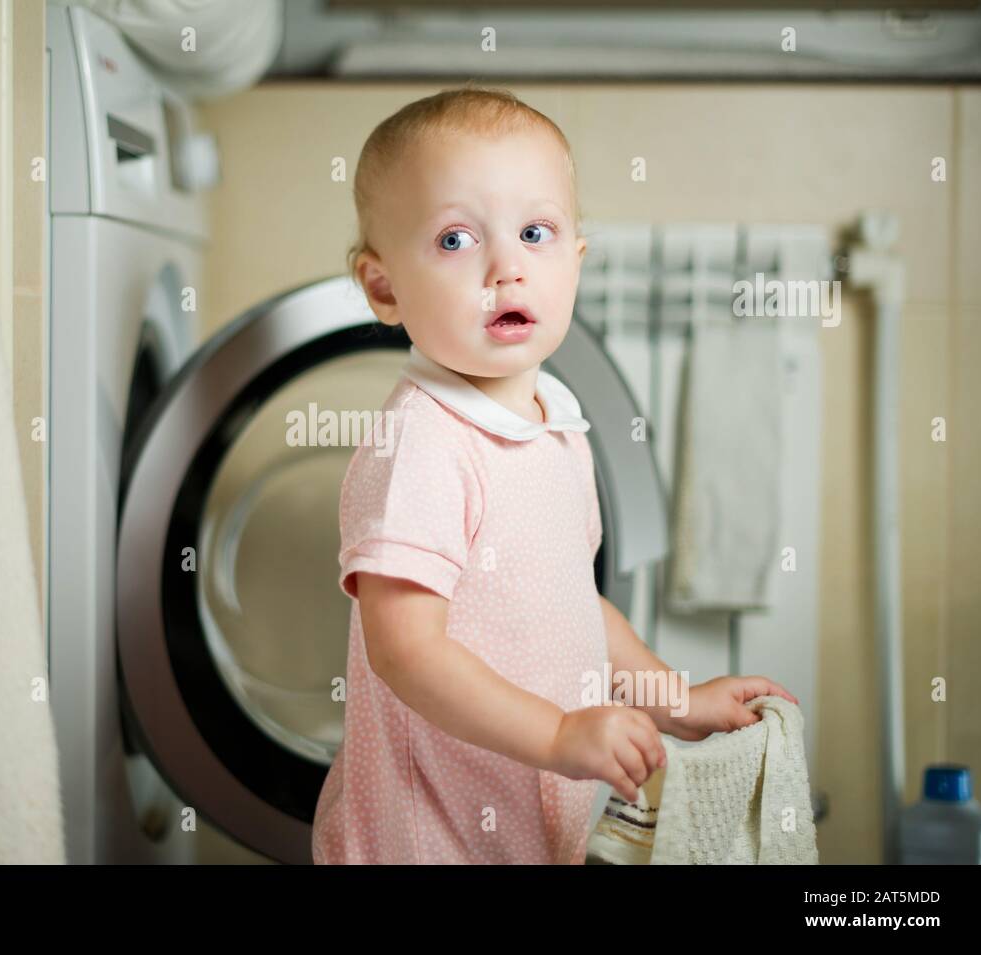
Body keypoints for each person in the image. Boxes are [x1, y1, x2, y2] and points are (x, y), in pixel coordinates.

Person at [311, 85, 798, 865]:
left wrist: (675, 699)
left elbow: (574, 603)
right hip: (427, 838)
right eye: (455, 240)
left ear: (574, 260)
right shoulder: (423, 443)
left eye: (535, 232)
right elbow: (404, 649)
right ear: (384, 287)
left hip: (527, 822)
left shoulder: (554, 424)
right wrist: (560, 732)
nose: (506, 267)